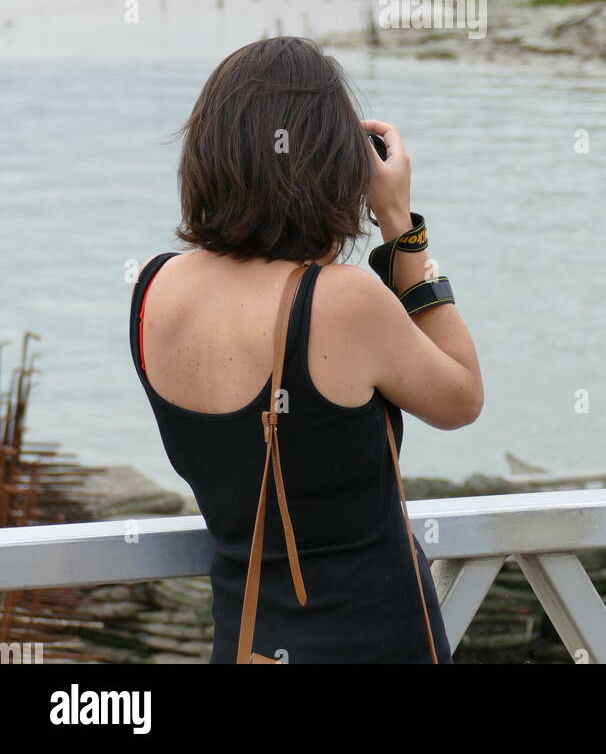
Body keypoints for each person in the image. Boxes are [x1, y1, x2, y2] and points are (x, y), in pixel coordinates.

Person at [128, 35, 482, 663]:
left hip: (245, 642)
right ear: (336, 164)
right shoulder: (342, 301)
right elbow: (461, 398)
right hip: (371, 642)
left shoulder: (155, 288)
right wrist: (400, 223)